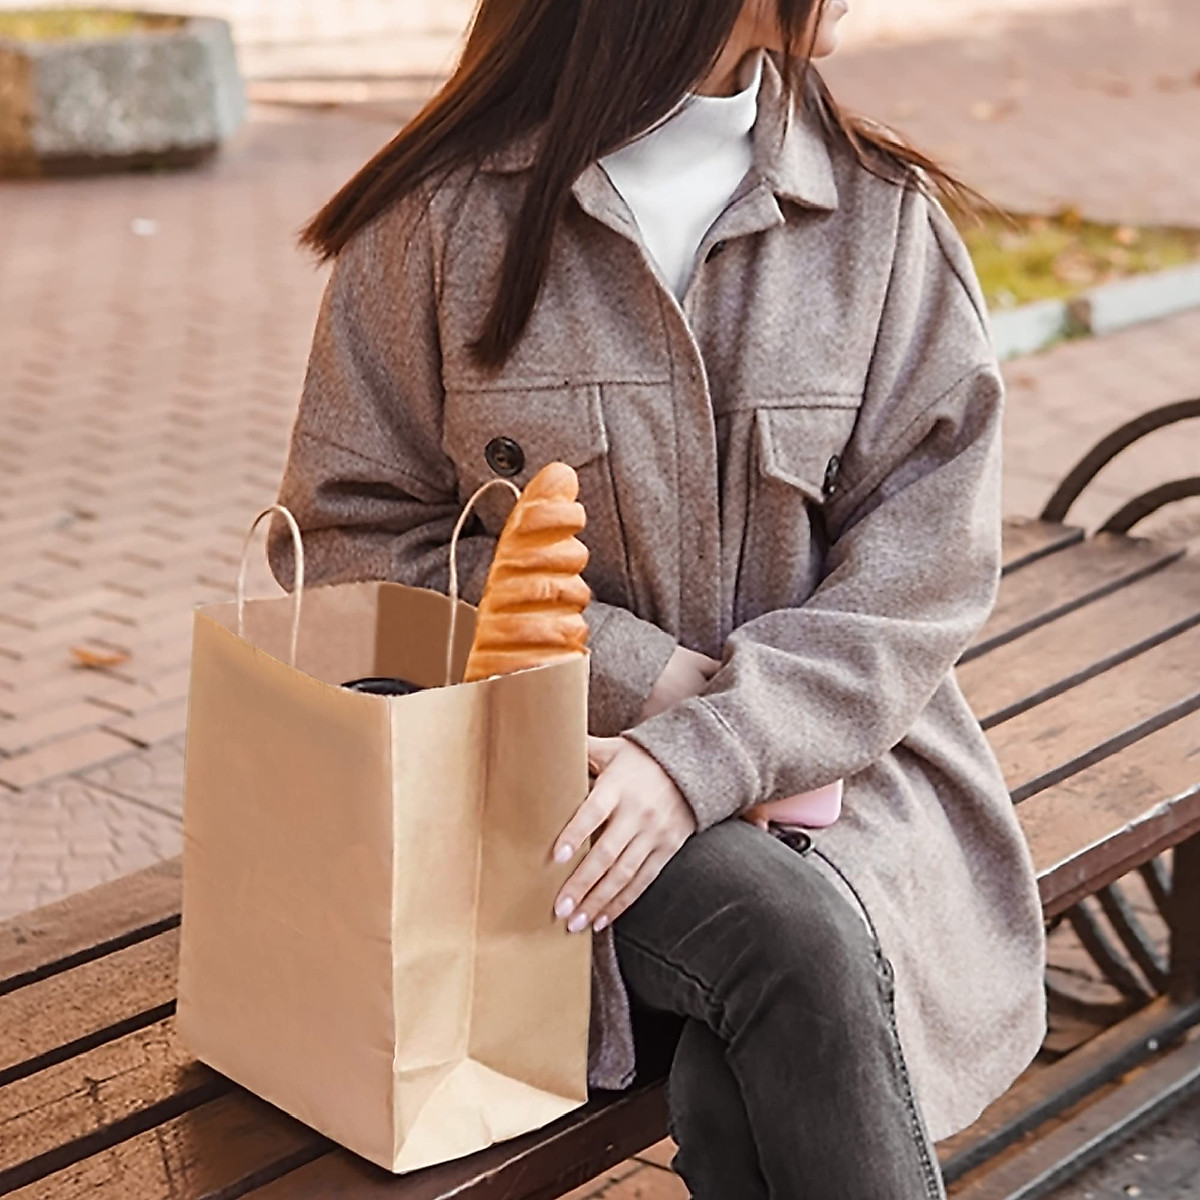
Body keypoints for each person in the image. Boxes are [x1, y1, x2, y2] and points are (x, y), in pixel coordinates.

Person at [266, 0, 1048, 1194]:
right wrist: (644, 683)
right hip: (526, 789)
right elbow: (351, 541)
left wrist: (708, 747)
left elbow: (923, 571)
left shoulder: (881, 224)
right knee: (786, 941)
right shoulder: (435, 223)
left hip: (835, 777)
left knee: (785, 973)